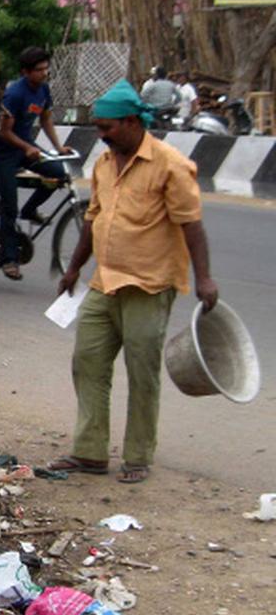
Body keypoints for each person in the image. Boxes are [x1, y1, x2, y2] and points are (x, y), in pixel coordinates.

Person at [50, 80, 218, 484]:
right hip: (103, 281)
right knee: (87, 362)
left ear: (130, 122)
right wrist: (73, 268)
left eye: (107, 128)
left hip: (150, 283)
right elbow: (92, 219)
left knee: (142, 372)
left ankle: (138, 455)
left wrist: (205, 278)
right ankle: (89, 451)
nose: (101, 136)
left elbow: (191, 225)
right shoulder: (105, 163)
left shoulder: (170, 164)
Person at [0, 47, 73, 280]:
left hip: (26, 147)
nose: (44, 73)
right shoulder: (15, 94)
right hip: (5, 153)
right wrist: (26, 147)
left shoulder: (43, 89)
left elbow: (45, 118)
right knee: (9, 208)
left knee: (59, 174)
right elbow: (4, 131)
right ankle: (9, 260)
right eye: (39, 70)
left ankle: (30, 210)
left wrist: (57, 147)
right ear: (25, 72)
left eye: (46, 68)